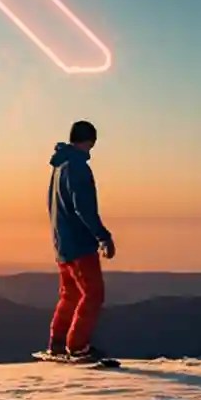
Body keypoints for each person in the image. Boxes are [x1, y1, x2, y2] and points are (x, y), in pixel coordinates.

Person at [46, 120, 115, 361]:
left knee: (70, 294)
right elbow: (84, 208)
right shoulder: (77, 167)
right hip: (80, 244)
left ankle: (57, 342)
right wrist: (103, 236)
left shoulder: (59, 167)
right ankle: (77, 346)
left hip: (62, 244)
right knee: (93, 293)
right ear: (89, 141)